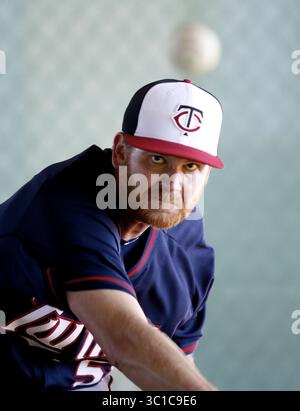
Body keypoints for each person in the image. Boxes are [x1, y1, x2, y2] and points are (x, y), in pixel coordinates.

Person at [0, 78, 224, 391]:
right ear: (120, 151)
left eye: (191, 167)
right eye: (157, 160)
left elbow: (172, 374)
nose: (173, 182)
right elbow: (123, 337)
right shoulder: (69, 200)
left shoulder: (189, 258)